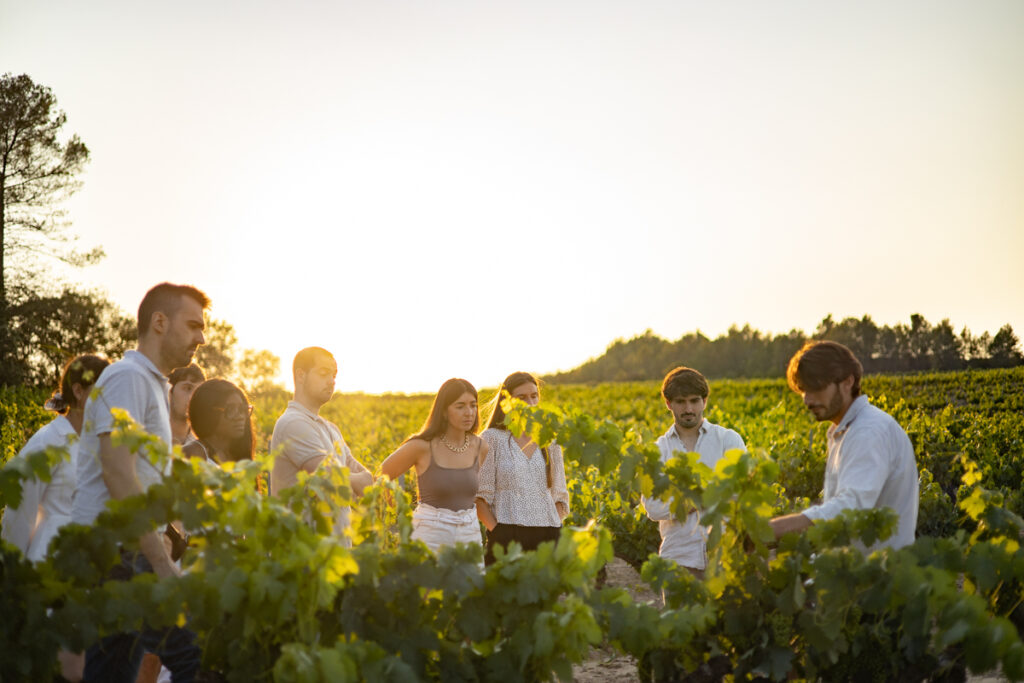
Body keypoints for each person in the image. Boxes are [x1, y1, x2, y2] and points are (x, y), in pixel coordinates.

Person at [71, 282, 209, 683]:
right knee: (198, 658)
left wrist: (167, 538)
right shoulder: (128, 378)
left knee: (110, 674)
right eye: (194, 325)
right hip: (122, 557)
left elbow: (143, 478)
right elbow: (118, 473)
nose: (201, 339)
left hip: (124, 556)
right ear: (159, 322)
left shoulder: (150, 383)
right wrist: (161, 562)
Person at [768, 341, 918, 550]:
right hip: (856, 565)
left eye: (816, 387)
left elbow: (851, 507)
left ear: (848, 382)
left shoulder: (868, 432)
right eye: (803, 390)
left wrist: (776, 528)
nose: (807, 400)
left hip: (880, 568)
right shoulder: (846, 430)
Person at [641, 366, 746, 578]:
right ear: (668, 404)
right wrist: (704, 496)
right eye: (681, 402)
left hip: (726, 559)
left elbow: (742, 492)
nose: (688, 409)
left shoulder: (728, 440)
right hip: (677, 561)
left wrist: (682, 500)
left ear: (704, 401)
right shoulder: (657, 451)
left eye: (694, 401)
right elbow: (652, 507)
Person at [270, 347, 372, 544]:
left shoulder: (330, 428)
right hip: (303, 552)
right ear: (301, 375)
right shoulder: (293, 423)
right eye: (324, 373)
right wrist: (358, 481)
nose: (331, 381)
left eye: (334, 375)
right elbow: (326, 474)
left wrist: (361, 479)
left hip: (334, 552)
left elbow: (352, 467)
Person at [381, 378, 488, 553]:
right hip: (430, 534)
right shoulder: (421, 446)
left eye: (473, 405)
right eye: (460, 406)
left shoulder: (481, 447)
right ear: (444, 411)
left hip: (470, 534)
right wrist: (397, 515)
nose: (469, 412)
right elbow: (383, 473)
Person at [476, 372, 569, 565]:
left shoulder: (550, 440)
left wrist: (553, 530)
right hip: (506, 537)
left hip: (548, 538)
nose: (530, 403)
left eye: (534, 396)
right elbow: (480, 498)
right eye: (522, 397)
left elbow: (560, 497)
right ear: (507, 402)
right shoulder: (492, 438)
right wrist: (499, 533)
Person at [182, 379, 255, 464]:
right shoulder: (193, 454)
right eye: (230, 409)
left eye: (242, 409)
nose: (240, 417)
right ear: (209, 414)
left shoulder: (239, 454)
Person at [169, 364, 205, 446]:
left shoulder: (201, 445)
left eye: (197, 392)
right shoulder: (148, 430)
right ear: (170, 391)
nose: (193, 397)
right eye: (188, 388)